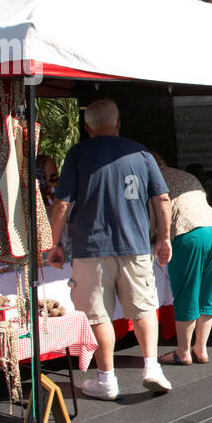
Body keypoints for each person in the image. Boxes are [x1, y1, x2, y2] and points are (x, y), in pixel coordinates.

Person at [47, 99, 172, 399]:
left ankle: (107, 379)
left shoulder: (77, 153)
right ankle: (152, 366)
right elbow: (163, 200)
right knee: (143, 307)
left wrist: (54, 244)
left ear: (87, 126)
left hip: (91, 248)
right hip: (136, 245)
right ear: (118, 122)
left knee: (97, 314)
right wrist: (164, 238)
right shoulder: (141, 153)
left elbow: (62, 203)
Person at [151, 153, 212, 366]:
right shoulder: (185, 176)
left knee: (186, 292)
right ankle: (201, 349)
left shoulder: (152, 179)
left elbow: (154, 215)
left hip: (187, 232)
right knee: (208, 292)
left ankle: (183, 351)